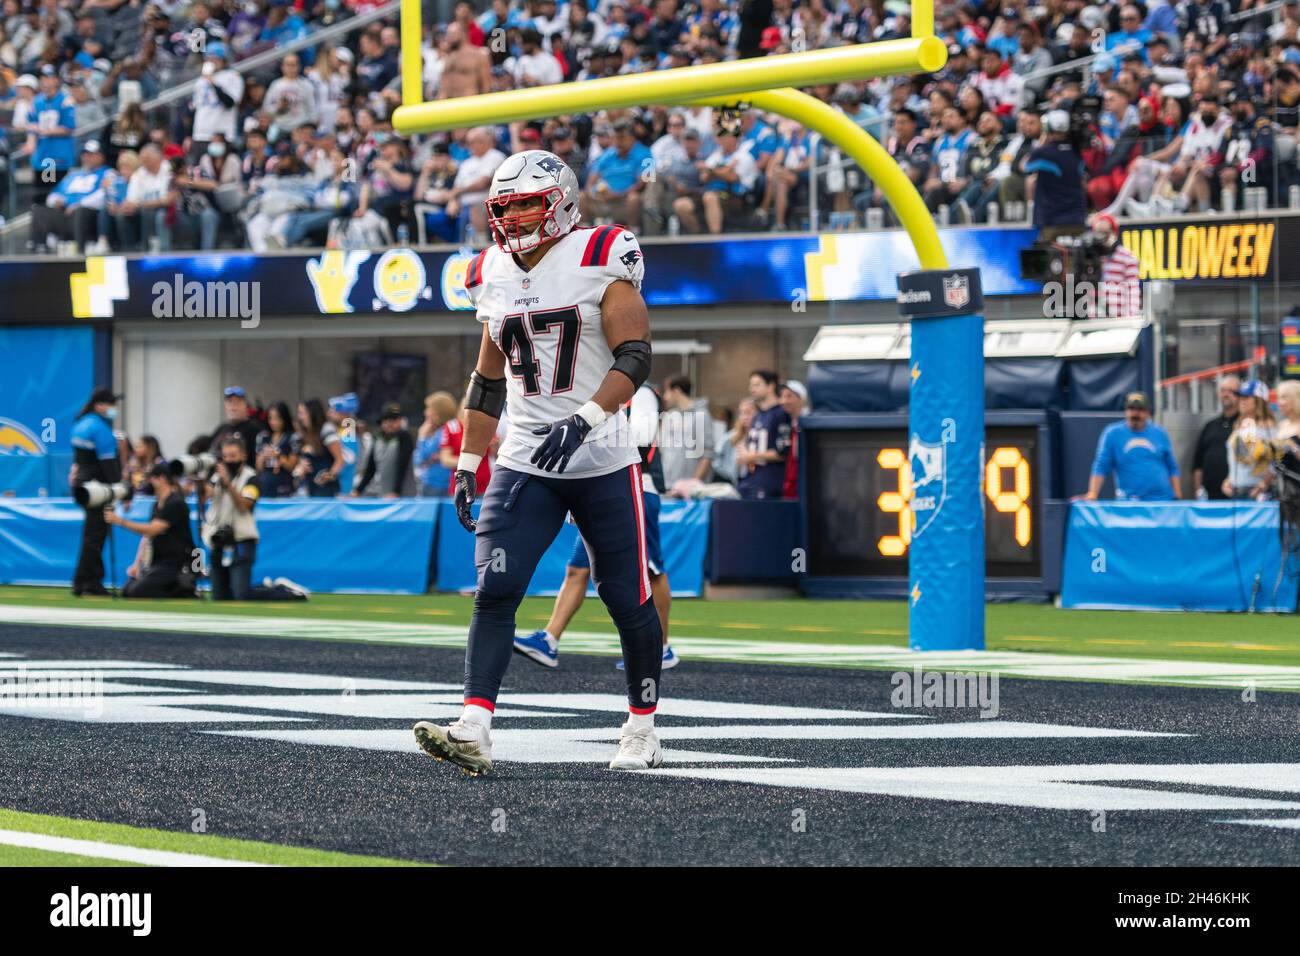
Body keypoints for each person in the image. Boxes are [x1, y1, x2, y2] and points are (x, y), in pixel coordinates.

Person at [412, 149, 665, 775]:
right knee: (494, 589)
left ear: (562, 204)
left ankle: (642, 724)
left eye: (529, 203)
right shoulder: (491, 270)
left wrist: (583, 421)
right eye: (507, 206)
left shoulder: (601, 251)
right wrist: (471, 459)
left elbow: (635, 356)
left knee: (626, 598)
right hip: (526, 456)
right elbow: (487, 379)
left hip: (602, 454)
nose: (517, 217)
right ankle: (474, 725)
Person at [513, 382, 678, 671]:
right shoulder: (595, 390)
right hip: (601, 488)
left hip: (638, 487)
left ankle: (662, 647)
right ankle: (549, 640)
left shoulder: (641, 393)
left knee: (650, 570)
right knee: (577, 568)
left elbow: (642, 436)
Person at [201, 437, 309, 600]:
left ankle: (287, 592)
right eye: (226, 456)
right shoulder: (216, 477)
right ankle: (265, 586)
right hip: (220, 539)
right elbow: (204, 495)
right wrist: (200, 478)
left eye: (233, 456)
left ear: (243, 456)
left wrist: (228, 483)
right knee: (220, 597)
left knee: (242, 595)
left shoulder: (251, 478)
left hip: (242, 541)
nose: (229, 460)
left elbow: (245, 505)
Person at [105, 464, 197, 599]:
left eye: (151, 479)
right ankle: (176, 588)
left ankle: (184, 591)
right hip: (159, 562)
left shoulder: (176, 503)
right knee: (127, 590)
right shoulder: (157, 505)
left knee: (139, 591)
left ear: (162, 479)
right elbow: (148, 536)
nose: (149, 483)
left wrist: (120, 521)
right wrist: (137, 563)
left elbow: (153, 529)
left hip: (176, 563)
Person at [70, 388, 124, 597]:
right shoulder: (101, 428)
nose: (114, 409)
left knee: (90, 535)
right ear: (99, 405)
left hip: (82, 486)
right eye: (111, 404)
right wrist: (119, 489)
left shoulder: (80, 424)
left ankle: (84, 581)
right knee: (96, 535)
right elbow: (109, 465)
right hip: (97, 489)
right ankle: (88, 582)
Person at [1085, 392, 1181, 501]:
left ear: (1147, 412)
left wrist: (1177, 493)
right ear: (1126, 411)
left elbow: (1172, 466)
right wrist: (1093, 492)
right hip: (1130, 503)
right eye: (1131, 409)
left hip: (1163, 500)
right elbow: (1101, 465)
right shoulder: (1112, 434)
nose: (1135, 413)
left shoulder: (1160, 433)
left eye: (1140, 410)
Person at [737, 369, 792, 499]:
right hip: (750, 480)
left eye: (757, 384)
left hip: (770, 483)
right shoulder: (758, 415)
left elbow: (782, 453)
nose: (752, 389)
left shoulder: (781, 414)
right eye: (751, 385)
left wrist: (751, 455)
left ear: (771, 386)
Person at [658, 374, 714, 492]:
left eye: (667, 392)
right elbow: (662, 450)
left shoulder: (701, 415)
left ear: (676, 391)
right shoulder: (669, 416)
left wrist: (692, 483)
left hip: (690, 491)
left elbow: (707, 454)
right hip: (668, 486)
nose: (665, 397)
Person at [1224, 380, 1278, 500]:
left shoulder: (1267, 427)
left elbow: (1276, 461)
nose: (1242, 401)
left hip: (1255, 490)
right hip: (1237, 490)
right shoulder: (1239, 425)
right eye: (1240, 397)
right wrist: (1229, 479)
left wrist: (1264, 484)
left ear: (1259, 401)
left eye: (1247, 397)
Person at [1191, 375, 1240, 500]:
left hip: (1238, 496)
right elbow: (1198, 464)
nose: (1225, 394)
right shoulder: (1210, 426)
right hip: (1210, 497)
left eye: (1230, 391)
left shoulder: (1247, 426)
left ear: (1240, 395)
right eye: (1223, 390)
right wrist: (1198, 491)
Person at [356, 403, 414, 498]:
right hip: (385, 495)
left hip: (404, 496)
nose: (390, 423)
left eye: (395, 420)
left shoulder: (405, 437)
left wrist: (396, 492)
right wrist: (357, 491)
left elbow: (402, 466)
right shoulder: (378, 439)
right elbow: (370, 469)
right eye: (387, 420)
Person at [254, 401, 301, 499]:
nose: (273, 422)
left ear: (284, 418)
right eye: (270, 418)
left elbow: (292, 467)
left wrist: (278, 456)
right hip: (265, 484)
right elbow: (258, 468)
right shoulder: (263, 436)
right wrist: (263, 456)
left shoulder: (293, 437)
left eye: (277, 418)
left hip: (284, 485)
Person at [416, 392, 457, 497]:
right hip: (441, 485)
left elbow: (420, 458)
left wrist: (422, 437)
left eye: (428, 409)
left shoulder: (442, 432)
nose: (425, 413)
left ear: (438, 412)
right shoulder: (447, 429)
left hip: (436, 486)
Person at [208, 386, 264, 460]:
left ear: (245, 406)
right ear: (225, 406)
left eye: (238, 401)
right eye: (229, 401)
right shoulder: (221, 428)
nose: (233, 406)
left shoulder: (255, 430)